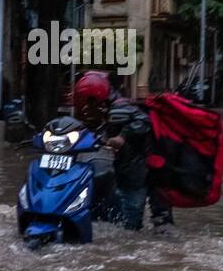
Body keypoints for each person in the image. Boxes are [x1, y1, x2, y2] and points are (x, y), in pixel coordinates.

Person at [73, 71, 173, 232]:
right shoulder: (107, 110)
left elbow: (143, 121)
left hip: (137, 173)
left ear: (94, 99)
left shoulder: (120, 108)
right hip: (128, 170)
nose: (84, 108)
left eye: (86, 103)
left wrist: (122, 137)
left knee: (129, 228)